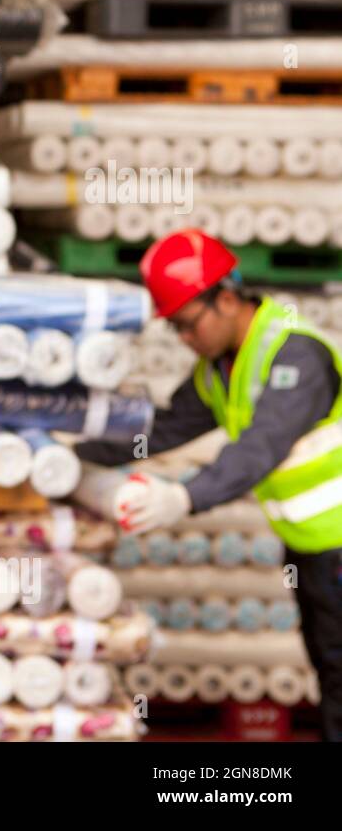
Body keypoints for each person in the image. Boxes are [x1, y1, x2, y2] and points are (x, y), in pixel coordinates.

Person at [76, 228, 342, 741]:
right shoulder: (219, 369)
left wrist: (184, 497)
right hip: (314, 547)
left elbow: (259, 448)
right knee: (330, 668)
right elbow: (160, 429)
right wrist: (72, 448)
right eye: (174, 328)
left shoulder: (295, 357)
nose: (183, 338)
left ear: (225, 299)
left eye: (186, 324)